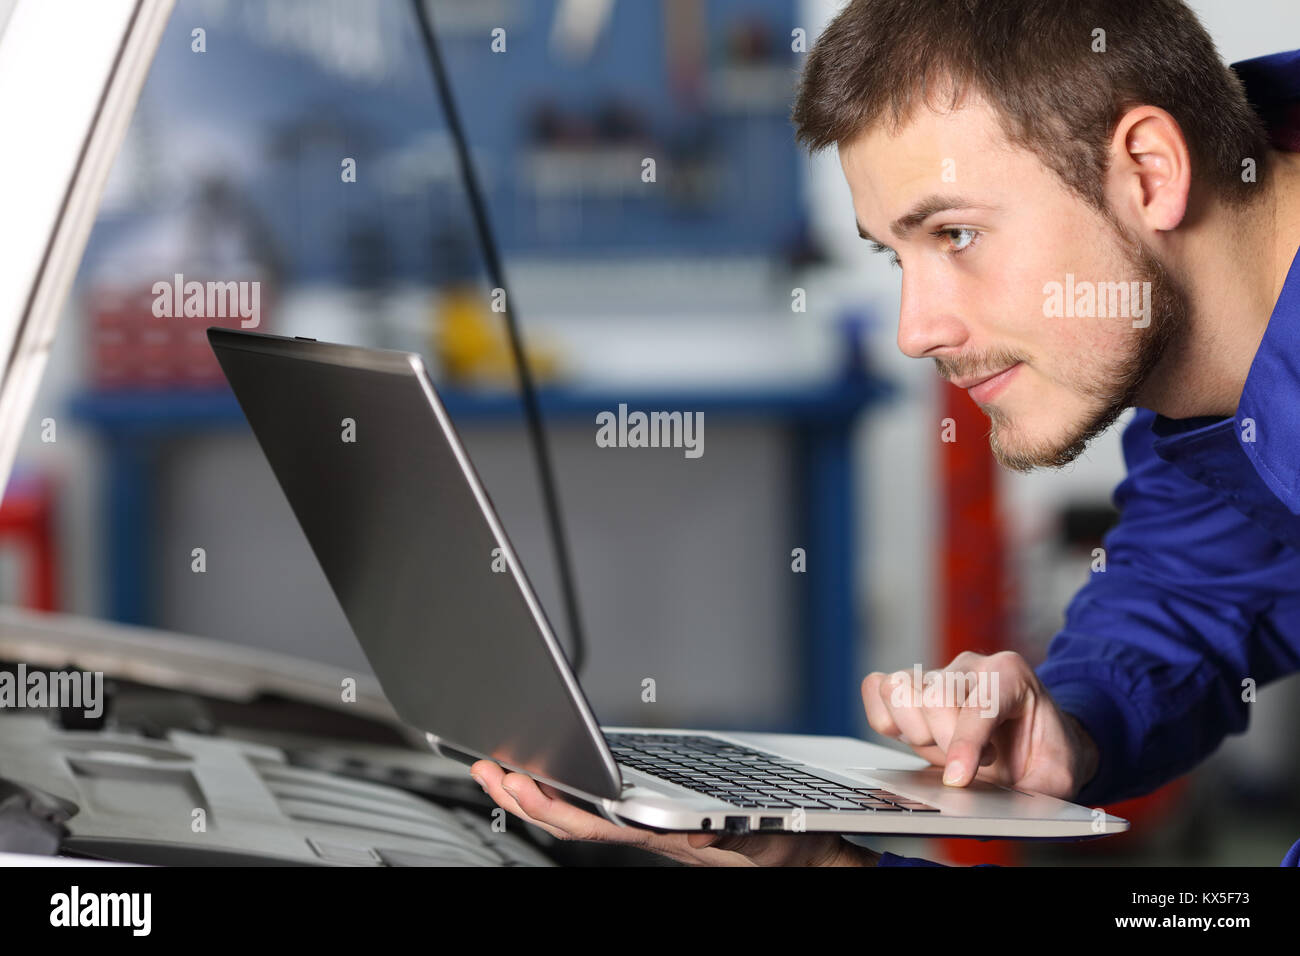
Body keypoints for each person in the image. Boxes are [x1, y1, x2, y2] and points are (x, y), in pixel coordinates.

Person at [473, 0, 1300, 866]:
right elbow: (1198, 584)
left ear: (1149, 170)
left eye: (957, 233)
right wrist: (1076, 723)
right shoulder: (1220, 355)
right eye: (894, 254)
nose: (917, 331)